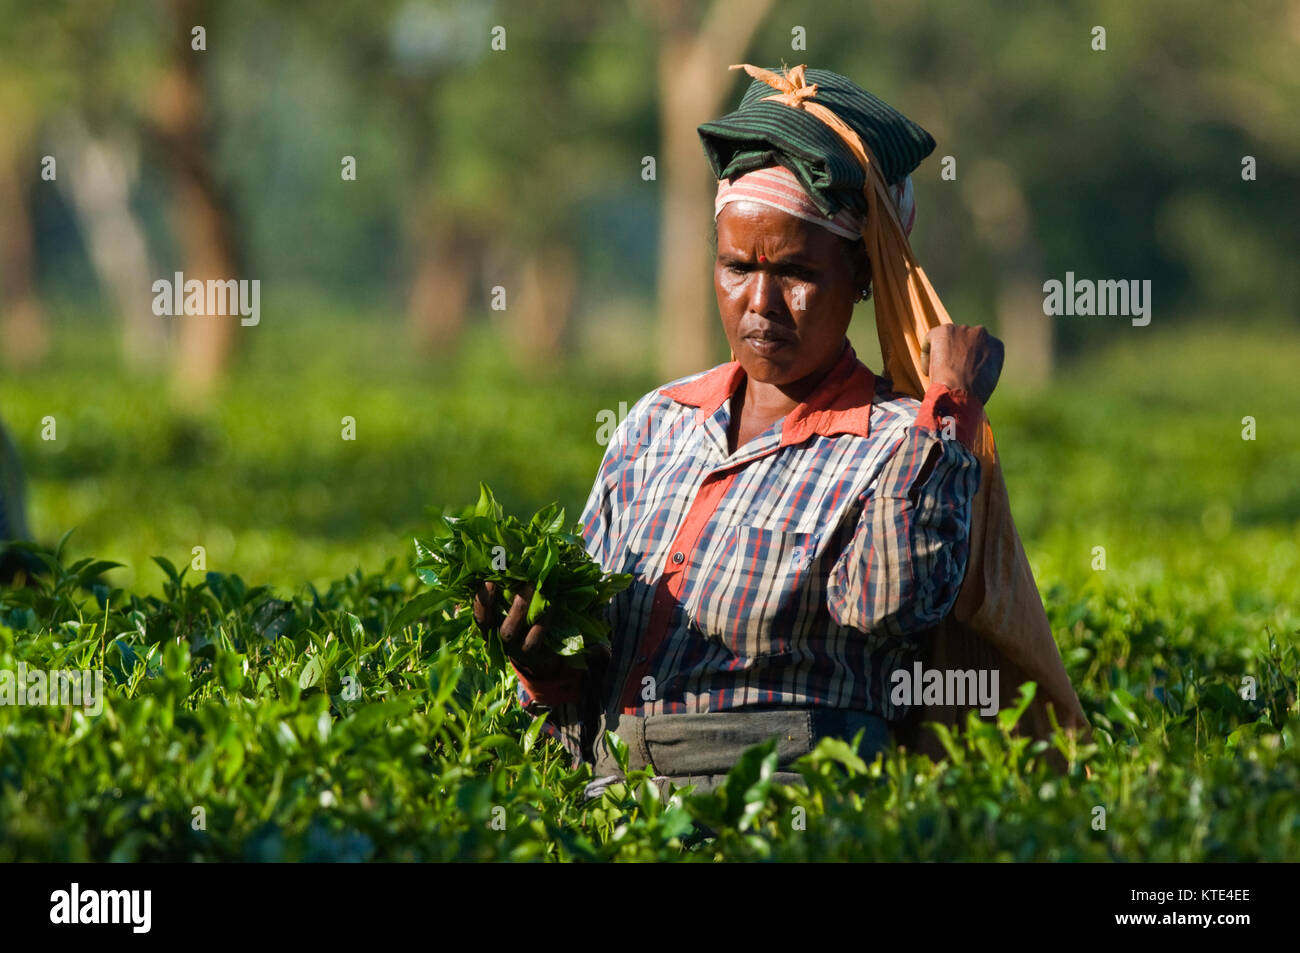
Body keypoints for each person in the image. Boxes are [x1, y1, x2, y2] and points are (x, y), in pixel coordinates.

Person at [474, 64, 1087, 797]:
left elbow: (893, 600)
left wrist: (948, 405)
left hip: (786, 805)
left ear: (863, 274)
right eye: (736, 265)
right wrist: (543, 664)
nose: (759, 302)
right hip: (617, 808)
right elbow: (584, 672)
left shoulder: (901, 439)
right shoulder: (656, 424)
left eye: (795, 271)